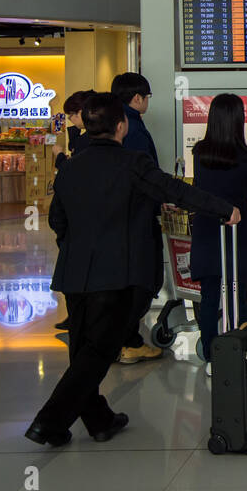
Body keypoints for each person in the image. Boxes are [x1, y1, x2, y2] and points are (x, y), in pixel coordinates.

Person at [27, 93, 240, 447]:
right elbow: (174, 191)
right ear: (121, 126)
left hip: (74, 274)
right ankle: (48, 422)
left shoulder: (69, 168)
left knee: (84, 351)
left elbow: (58, 222)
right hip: (119, 275)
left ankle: (99, 419)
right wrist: (224, 209)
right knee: (98, 353)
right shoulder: (133, 164)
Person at [190, 93, 247, 362]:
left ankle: (212, 353)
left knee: (210, 296)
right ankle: (239, 351)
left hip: (205, 231)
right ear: (238, 120)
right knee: (239, 293)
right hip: (236, 230)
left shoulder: (200, 153)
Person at [111, 72, 163, 363]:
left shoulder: (118, 123)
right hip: (139, 217)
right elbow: (145, 175)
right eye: (147, 97)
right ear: (137, 98)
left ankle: (124, 339)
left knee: (130, 281)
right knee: (145, 280)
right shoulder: (134, 130)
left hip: (120, 217)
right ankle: (128, 341)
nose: (148, 103)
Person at [53, 89, 98, 330]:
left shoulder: (87, 142)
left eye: (73, 115)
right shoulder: (87, 139)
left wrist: (60, 158)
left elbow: (72, 176)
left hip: (78, 224)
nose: (71, 120)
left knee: (77, 275)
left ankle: (80, 319)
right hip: (82, 223)